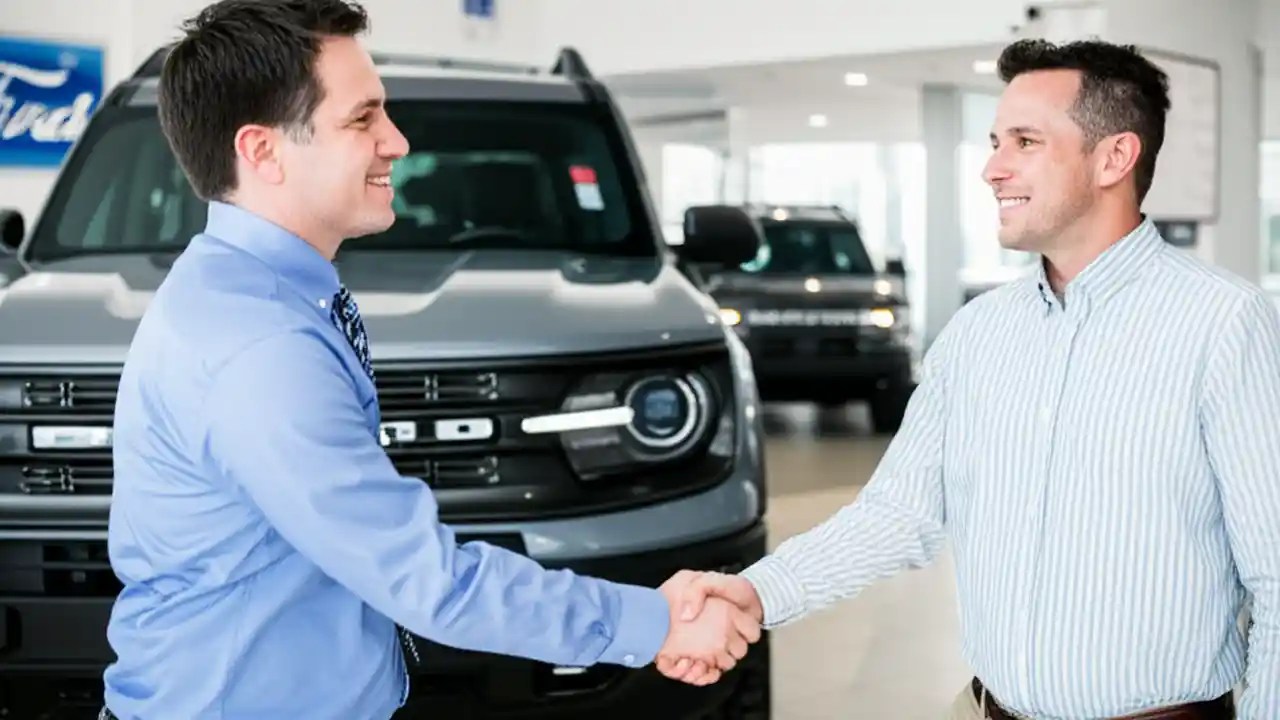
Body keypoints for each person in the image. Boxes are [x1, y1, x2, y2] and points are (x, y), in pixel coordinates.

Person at [100, 1, 758, 718]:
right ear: (262, 151)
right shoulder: (260, 344)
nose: (398, 142)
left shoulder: (248, 293)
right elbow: (425, 580)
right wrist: (656, 622)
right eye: (363, 119)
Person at [659, 38, 1279, 719]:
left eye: (1024, 141)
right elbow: (897, 513)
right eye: (993, 140)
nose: (992, 168)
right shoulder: (979, 333)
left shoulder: (1226, 326)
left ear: (1114, 157)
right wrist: (757, 592)